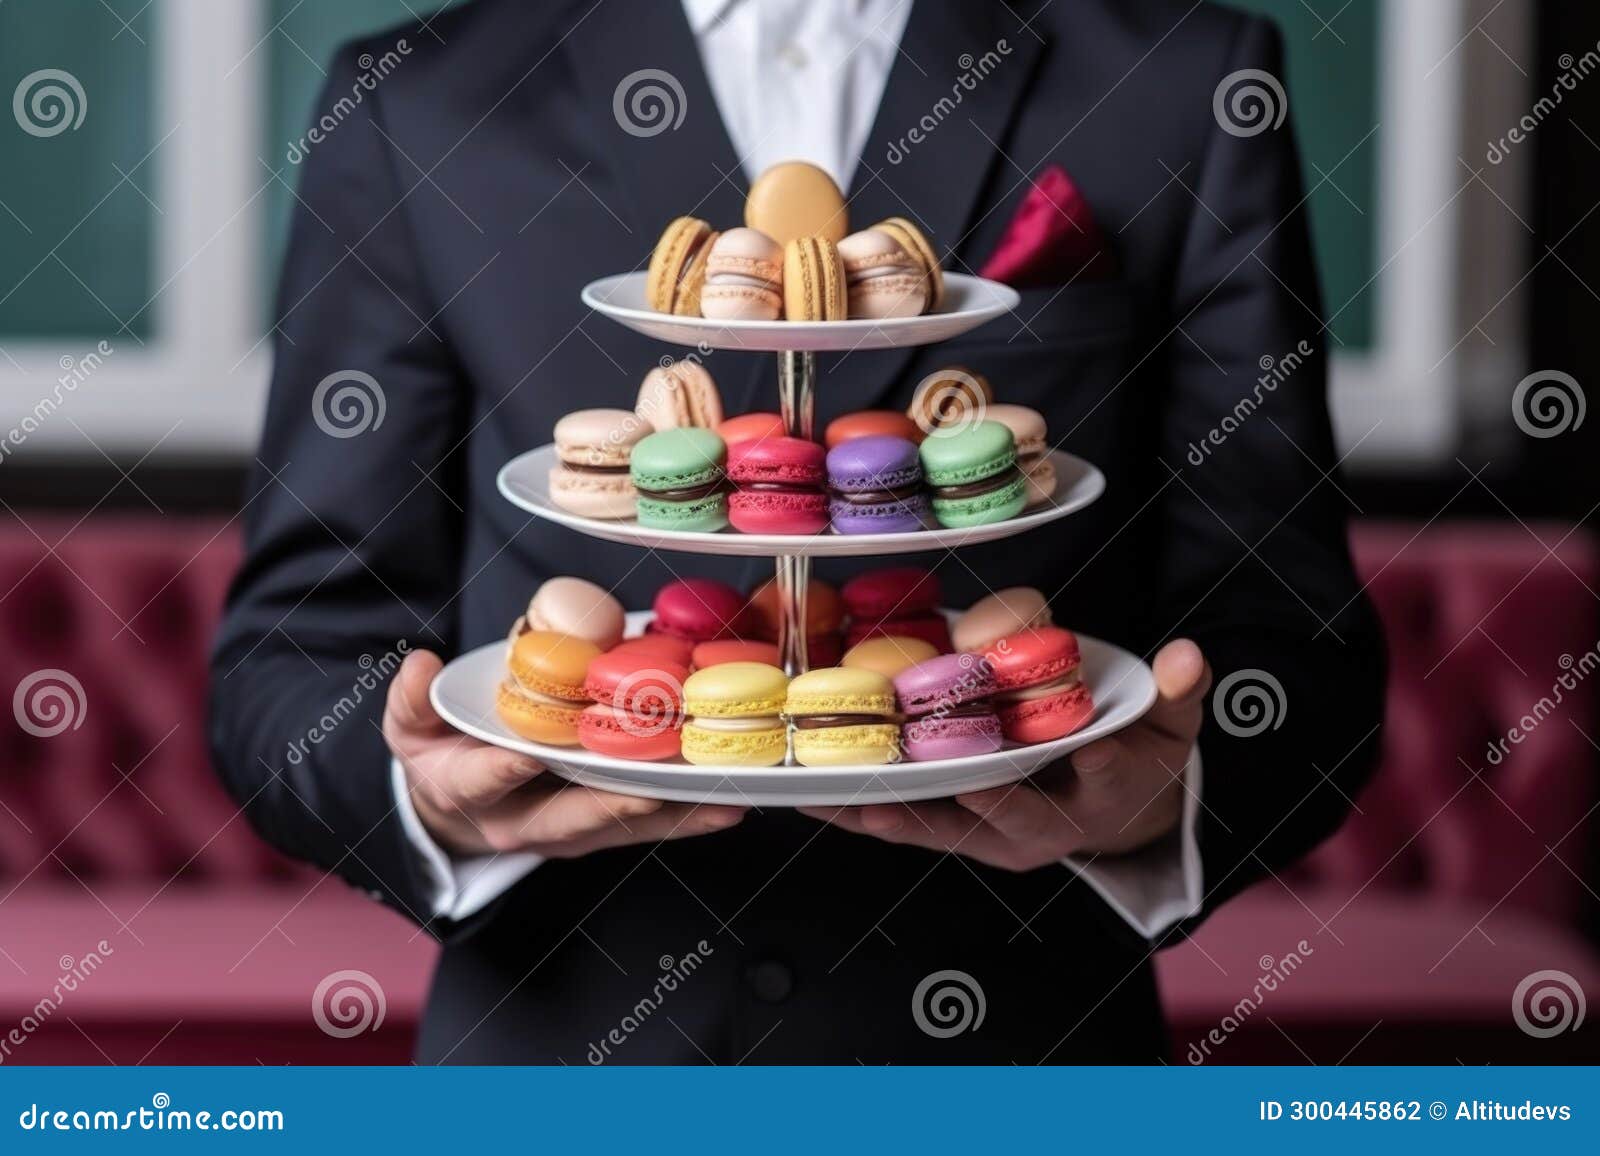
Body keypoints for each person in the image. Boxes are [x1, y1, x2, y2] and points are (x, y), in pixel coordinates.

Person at [210, 0, 1385, 1063]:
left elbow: (1298, 644)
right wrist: (432, 800)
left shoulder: (1185, 76)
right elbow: (289, 657)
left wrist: (1157, 807)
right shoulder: (420, 101)